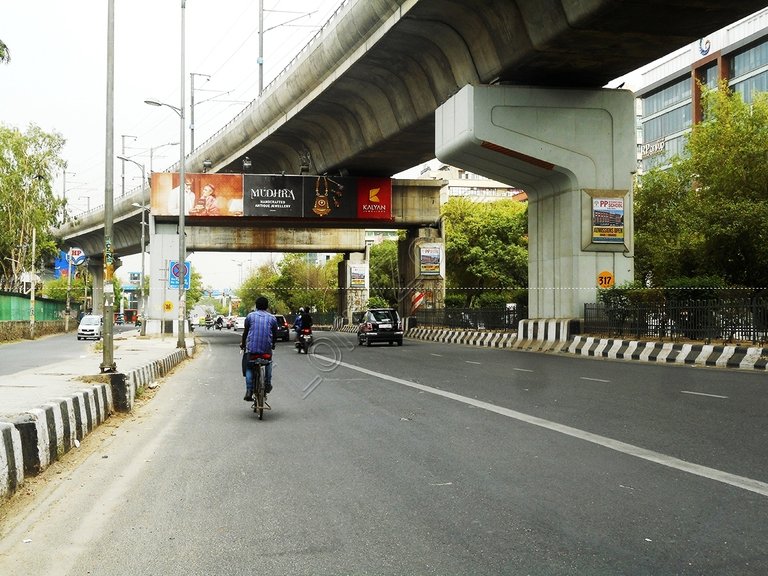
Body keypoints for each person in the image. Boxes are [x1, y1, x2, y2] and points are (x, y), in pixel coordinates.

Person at [240, 296, 278, 401]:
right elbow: (275, 334)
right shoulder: (272, 318)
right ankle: (267, 384)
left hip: (252, 351)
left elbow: (245, 333)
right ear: (267, 306)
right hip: (266, 350)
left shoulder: (250, 316)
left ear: (256, 306)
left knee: (249, 367)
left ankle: (249, 390)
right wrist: (273, 344)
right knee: (268, 362)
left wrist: (243, 344)